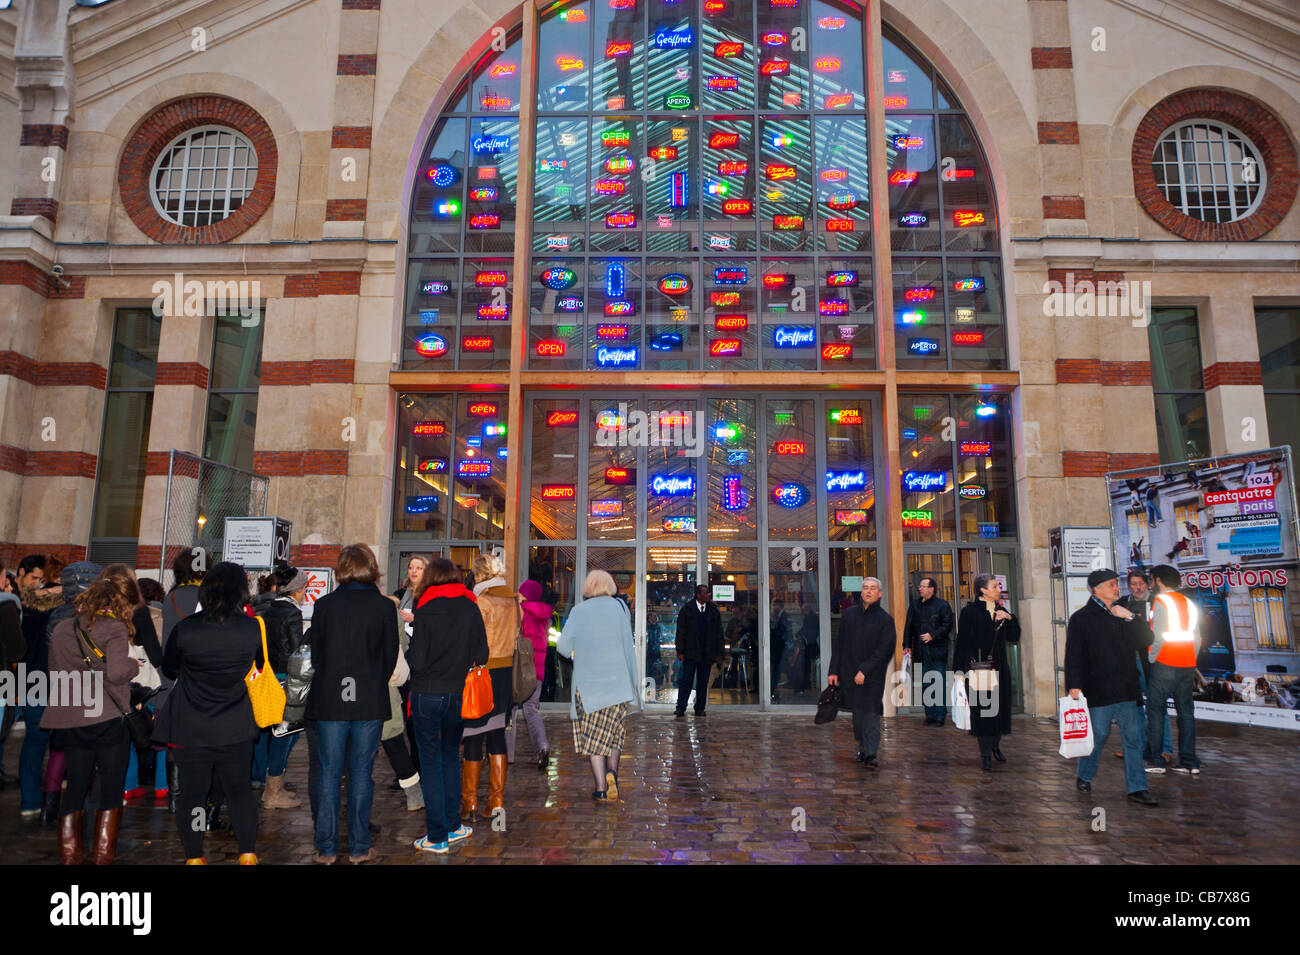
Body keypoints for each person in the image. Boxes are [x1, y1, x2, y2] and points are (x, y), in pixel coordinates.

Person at [160, 562, 263, 864]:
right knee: (239, 791)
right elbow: (258, 665)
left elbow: (169, 668)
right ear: (240, 591)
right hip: (236, 723)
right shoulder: (251, 628)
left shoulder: (186, 629)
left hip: (192, 723)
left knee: (192, 794)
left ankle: (194, 855)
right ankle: (247, 853)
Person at [304, 544, 398, 864]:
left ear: (342, 568)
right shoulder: (384, 607)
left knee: (329, 774)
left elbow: (315, 655)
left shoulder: (324, 605)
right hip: (368, 698)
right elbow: (388, 657)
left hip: (331, 697)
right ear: (371, 567)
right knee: (361, 773)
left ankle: (326, 848)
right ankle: (359, 847)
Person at [41, 568, 139, 865]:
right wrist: (134, 665)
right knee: (110, 789)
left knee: (76, 787)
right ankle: (101, 857)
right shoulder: (114, 628)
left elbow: (55, 673)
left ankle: (71, 858)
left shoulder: (61, 628)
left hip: (71, 719)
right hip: (107, 719)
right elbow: (117, 673)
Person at [408, 557, 485, 853]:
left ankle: (436, 835)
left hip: (427, 694)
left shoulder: (425, 608)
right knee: (452, 757)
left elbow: (418, 660)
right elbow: (483, 653)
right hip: (459, 694)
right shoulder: (470, 606)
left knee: (430, 762)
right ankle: (454, 825)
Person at [1064, 568, 1159, 806]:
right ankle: (1084, 775)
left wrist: (1128, 617)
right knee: (1098, 736)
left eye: (1117, 584)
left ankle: (1137, 788)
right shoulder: (1081, 618)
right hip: (1098, 689)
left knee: (1133, 738)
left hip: (1127, 687)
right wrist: (1074, 685)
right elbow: (1074, 654)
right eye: (1111, 584)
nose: (1117, 588)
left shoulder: (1125, 612)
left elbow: (1146, 640)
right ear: (1096, 589)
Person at [557, 570, 638, 800]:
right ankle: (613, 772)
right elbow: (627, 646)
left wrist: (577, 654)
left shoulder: (578, 611)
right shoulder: (620, 609)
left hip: (590, 685)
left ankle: (601, 788)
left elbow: (563, 647)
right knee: (614, 735)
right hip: (618, 683)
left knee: (594, 739)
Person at [462, 553, 518, 822]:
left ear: (479, 575)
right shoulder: (512, 600)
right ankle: (497, 800)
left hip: (482, 672)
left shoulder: (480, 601)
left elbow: (473, 640)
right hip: (505, 673)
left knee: (473, 734)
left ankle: (470, 802)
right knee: (497, 735)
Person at [249, 564, 308, 808]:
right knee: (286, 733)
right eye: (304, 588)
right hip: (287, 679)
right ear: (296, 590)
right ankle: (273, 793)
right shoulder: (292, 614)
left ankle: (261, 779)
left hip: (267, 677)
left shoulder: (267, 608)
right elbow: (298, 652)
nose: (305, 592)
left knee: (265, 730)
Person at [953, 575, 1020, 770]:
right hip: (980, 671)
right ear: (983, 590)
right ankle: (985, 754)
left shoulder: (1001, 610)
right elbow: (962, 642)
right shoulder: (970, 612)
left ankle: (995, 746)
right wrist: (958, 670)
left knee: (1000, 709)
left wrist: (1009, 617)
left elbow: (1014, 636)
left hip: (1000, 669)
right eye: (994, 586)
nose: (998, 589)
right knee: (984, 713)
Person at [828, 578, 896, 770]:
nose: (868, 591)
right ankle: (863, 746)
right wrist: (833, 671)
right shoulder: (849, 615)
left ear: (879, 594)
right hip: (850, 674)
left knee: (871, 713)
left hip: (872, 676)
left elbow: (884, 651)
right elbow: (839, 645)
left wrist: (865, 670)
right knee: (858, 716)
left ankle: (871, 753)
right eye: (865, 588)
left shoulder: (885, 620)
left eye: (872, 588)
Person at [1143, 564, 1201, 776]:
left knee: (1156, 710)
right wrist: (1192, 658)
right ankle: (1189, 761)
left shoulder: (1161, 601)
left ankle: (1156, 759)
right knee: (1186, 712)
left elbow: (1158, 636)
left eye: (1151, 579)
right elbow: (1197, 636)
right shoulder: (1189, 602)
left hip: (1166, 661)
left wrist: (1151, 658)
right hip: (1187, 663)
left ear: (1158, 580)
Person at [18, 554, 62, 820]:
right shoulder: (61, 605)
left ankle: (30, 801)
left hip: (29, 677)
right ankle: (50, 798)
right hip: (50, 679)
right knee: (56, 742)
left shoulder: (27, 604)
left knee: (34, 741)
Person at [1118, 571, 1171, 763]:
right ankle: (1135, 747)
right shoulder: (1123, 603)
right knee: (1133, 707)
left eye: (1141, 583)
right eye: (1133, 584)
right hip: (1129, 660)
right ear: (1129, 585)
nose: (1137, 588)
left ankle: (1164, 748)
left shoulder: (1158, 602)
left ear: (1147, 584)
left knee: (1157, 705)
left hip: (1152, 659)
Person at [508, 578, 552, 771]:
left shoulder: (520, 611)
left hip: (518, 669)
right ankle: (542, 746)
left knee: (509, 710)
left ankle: (506, 755)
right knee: (531, 709)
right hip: (537, 671)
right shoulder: (544, 614)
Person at [903, 576, 954, 726]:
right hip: (920, 651)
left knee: (938, 682)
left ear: (932, 589)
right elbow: (909, 626)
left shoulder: (942, 605)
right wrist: (906, 645)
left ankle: (939, 715)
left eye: (923, 586)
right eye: (920, 586)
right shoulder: (914, 605)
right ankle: (929, 714)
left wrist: (933, 635)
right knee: (925, 683)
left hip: (937, 651)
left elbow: (947, 625)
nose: (920, 588)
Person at [673, 584, 723, 718]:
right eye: (705, 593)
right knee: (686, 681)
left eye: (708, 593)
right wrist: (680, 651)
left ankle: (700, 708)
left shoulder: (713, 610)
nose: (708, 595)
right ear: (698, 594)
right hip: (690, 652)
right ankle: (681, 707)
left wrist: (719, 653)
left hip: (707, 653)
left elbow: (719, 633)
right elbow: (681, 632)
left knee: (703, 682)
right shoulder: (687, 609)